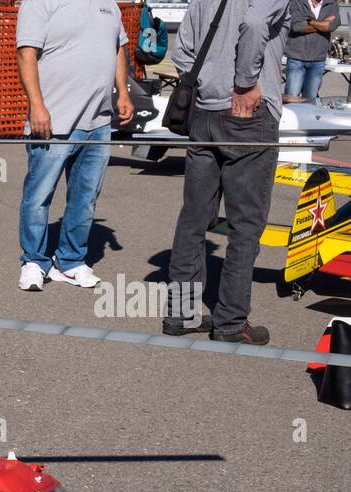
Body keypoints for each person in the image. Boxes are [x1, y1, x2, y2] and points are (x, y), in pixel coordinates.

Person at [163, 0, 288, 345]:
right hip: (247, 114)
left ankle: (182, 312)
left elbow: (184, 47)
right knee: (245, 224)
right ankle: (231, 321)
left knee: (194, 217)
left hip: (203, 110)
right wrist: (245, 83)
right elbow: (255, 23)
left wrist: (206, 85)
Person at [16, 0, 134, 293]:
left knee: (85, 197)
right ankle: (34, 261)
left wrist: (123, 92)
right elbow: (26, 54)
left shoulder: (109, 5)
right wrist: (37, 106)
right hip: (53, 120)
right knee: (39, 195)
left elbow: (118, 48)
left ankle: (70, 260)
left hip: (98, 122)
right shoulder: (39, 3)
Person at [284, 0, 340, 102]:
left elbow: (332, 25)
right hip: (296, 57)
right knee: (291, 98)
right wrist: (323, 24)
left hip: (318, 59)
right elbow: (297, 26)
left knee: (310, 100)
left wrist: (310, 21)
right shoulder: (297, 1)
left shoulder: (332, 3)